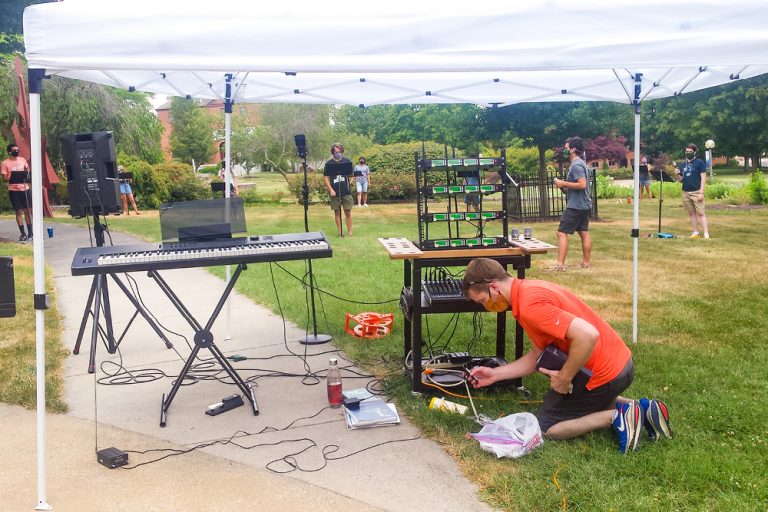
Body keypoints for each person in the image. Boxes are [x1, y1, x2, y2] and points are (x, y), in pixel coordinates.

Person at [463, 257, 672, 453]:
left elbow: (588, 335)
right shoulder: (527, 290)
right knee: (571, 398)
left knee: (548, 428)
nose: (486, 306)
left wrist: (565, 378)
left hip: (603, 375)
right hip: (620, 365)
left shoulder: (530, 306)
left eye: (482, 301)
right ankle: (643, 409)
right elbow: (538, 355)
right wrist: (495, 374)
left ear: (493, 287)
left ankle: (617, 416)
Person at [550, 136, 592, 271]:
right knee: (583, 232)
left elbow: (582, 185)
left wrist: (563, 183)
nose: (564, 150)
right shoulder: (581, 163)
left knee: (561, 233)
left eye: (566, 148)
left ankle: (559, 265)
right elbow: (576, 186)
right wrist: (562, 186)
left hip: (576, 206)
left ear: (573, 149)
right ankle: (586, 263)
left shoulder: (577, 165)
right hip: (583, 205)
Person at [676, 144, 709, 238]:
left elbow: (703, 178)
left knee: (701, 213)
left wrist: (701, 192)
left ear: (694, 152)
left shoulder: (699, 162)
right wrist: (678, 175)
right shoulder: (683, 164)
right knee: (691, 213)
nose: (688, 153)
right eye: (687, 151)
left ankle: (706, 233)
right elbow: (682, 179)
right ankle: (696, 232)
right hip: (685, 192)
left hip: (697, 191)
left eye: (690, 151)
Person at [1, 143, 33, 241]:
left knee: (28, 210)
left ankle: (31, 233)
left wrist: (27, 172)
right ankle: (23, 234)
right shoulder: (4, 163)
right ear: (10, 152)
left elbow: (27, 170)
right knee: (18, 211)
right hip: (14, 190)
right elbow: (4, 178)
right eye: (15, 150)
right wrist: (13, 175)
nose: (17, 152)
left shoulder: (22, 160)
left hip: (25, 188)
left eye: (18, 150)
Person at [324, 142, 353, 237]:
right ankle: (340, 232)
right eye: (336, 151)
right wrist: (331, 189)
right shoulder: (329, 164)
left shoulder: (347, 161)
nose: (338, 153)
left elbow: (351, 175)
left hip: (346, 191)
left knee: (347, 211)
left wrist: (351, 182)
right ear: (333, 152)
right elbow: (326, 177)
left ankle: (350, 232)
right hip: (334, 191)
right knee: (337, 212)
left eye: (340, 151)